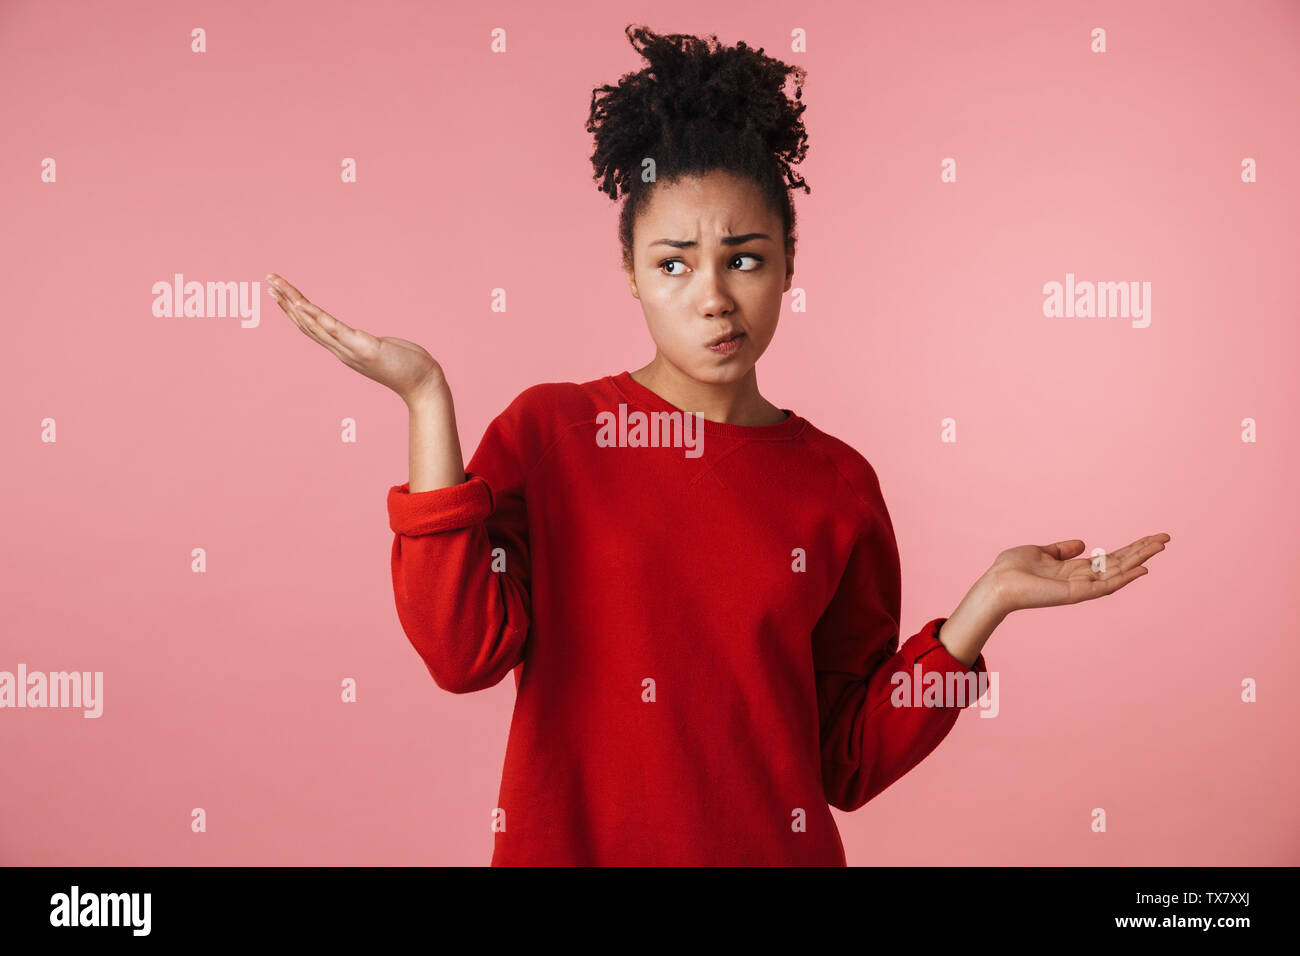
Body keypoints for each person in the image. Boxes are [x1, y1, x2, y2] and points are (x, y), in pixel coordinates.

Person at [264, 24, 1170, 866]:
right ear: (630, 273)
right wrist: (427, 401)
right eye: (673, 263)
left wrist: (983, 610)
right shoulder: (551, 435)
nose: (712, 296)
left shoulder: (839, 485)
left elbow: (846, 765)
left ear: (788, 262)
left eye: (744, 258)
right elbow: (461, 655)